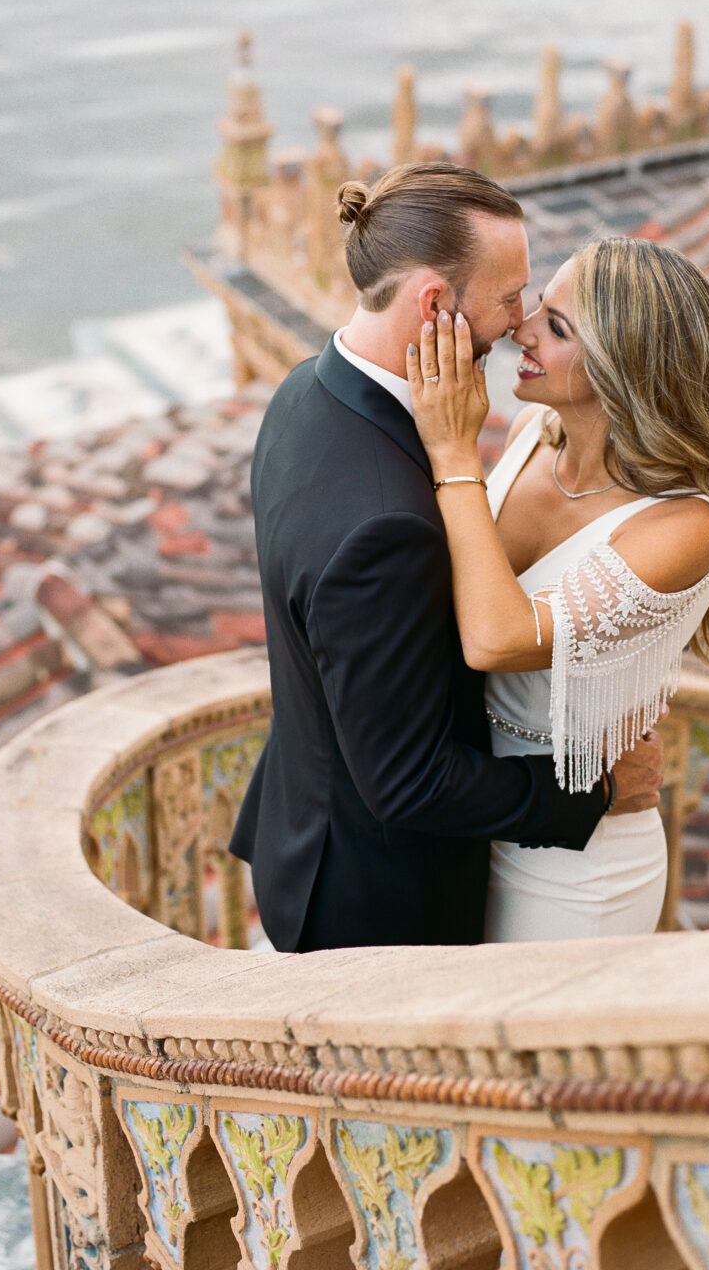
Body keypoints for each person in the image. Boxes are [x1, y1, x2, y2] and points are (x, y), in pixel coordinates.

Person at [229, 164, 665, 952]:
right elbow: (408, 781)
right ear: (434, 303)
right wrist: (590, 792)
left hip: (302, 832)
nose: (520, 321)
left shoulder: (303, 396)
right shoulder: (384, 526)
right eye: (508, 298)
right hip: (375, 906)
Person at [407, 236, 709, 940]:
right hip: (471, 805)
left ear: (624, 365)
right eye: (536, 309)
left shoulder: (686, 525)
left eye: (555, 326)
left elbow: (495, 638)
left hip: (575, 865)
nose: (521, 330)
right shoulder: (529, 432)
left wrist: (451, 450)